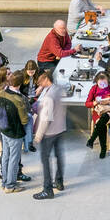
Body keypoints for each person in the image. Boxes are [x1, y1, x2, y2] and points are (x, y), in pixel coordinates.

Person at [0, 70, 31, 189]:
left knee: (5, 156)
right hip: (15, 133)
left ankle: (4, 182)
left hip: (3, 129)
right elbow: (24, 120)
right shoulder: (19, 99)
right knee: (14, 159)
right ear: (20, 84)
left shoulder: (0, 93)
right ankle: (10, 185)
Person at [32, 71, 66, 199]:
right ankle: (59, 181)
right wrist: (42, 88)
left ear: (46, 78)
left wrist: (38, 136)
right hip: (60, 128)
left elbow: (46, 119)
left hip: (49, 133)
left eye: (40, 81)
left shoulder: (48, 97)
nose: (38, 83)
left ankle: (47, 189)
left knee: (45, 160)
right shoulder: (57, 89)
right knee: (59, 156)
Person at [83, 71, 110, 159]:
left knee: (103, 120)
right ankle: (103, 148)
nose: (103, 85)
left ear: (108, 81)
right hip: (98, 112)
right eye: (100, 83)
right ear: (97, 81)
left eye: (105, 83)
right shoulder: (94, 88)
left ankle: (92, 140)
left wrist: (109, 101)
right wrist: (94, 102)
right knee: (102, 123)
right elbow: (87, 103)